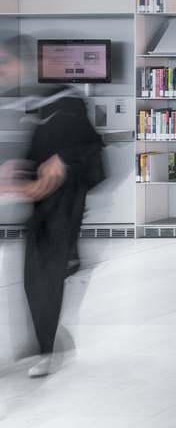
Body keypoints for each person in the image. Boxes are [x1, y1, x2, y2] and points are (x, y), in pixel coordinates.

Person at [0, 41, 105, 378]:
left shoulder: (64, 98)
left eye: (4, 61)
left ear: (25, 61)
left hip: (63, 204)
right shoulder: (33, 99)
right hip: (41, 205)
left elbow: (90, 149)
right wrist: (18, 169)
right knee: (35, 276)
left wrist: (63, 160)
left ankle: (47, 349)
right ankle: (44, 346)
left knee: (43, 275)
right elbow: (36, 149)